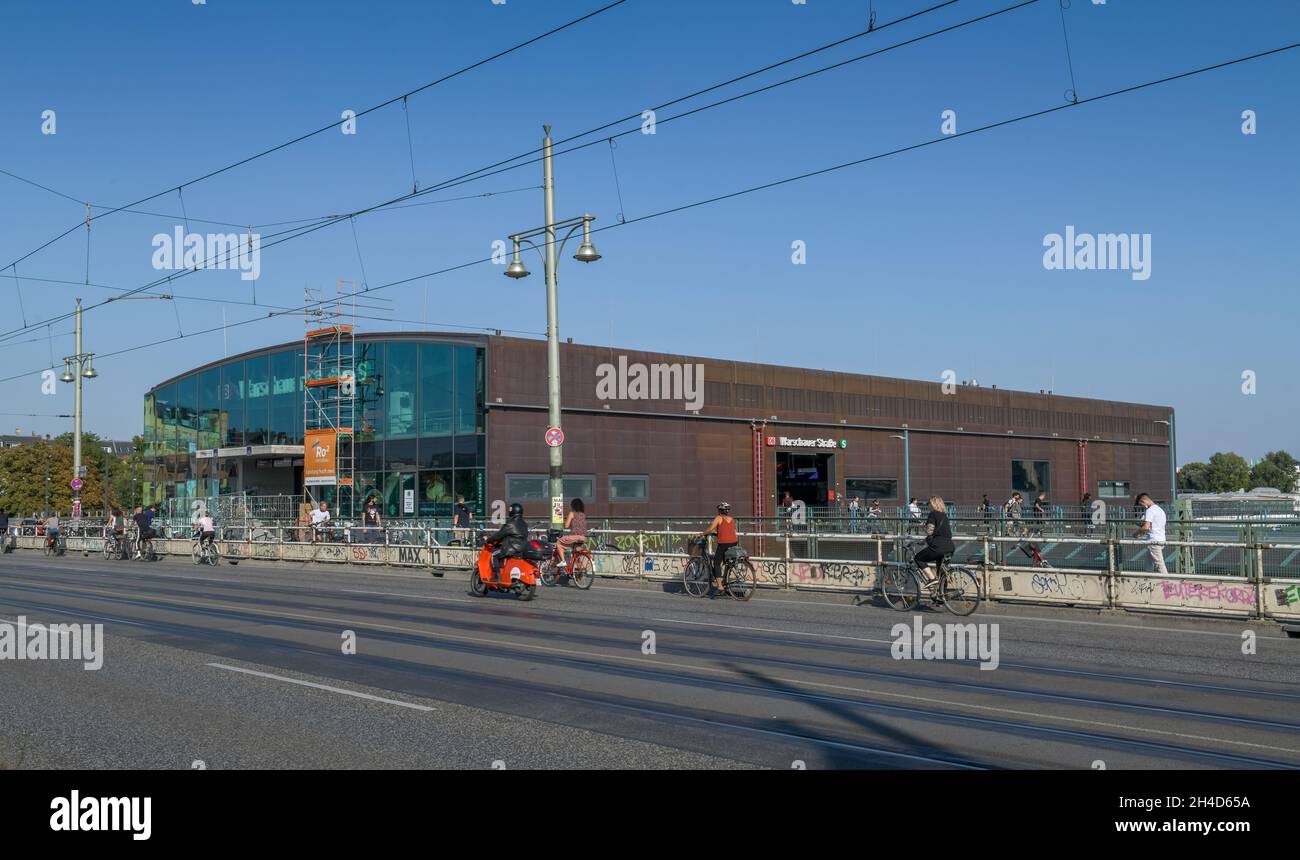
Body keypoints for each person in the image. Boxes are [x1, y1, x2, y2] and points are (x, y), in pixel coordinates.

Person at [697, 502, 739, 595]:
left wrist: (702, 534)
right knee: (724, 561)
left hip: (724, 544)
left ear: (720, 510)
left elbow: (711, 528)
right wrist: (718, 534)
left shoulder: (718, 518)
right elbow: (729, 531)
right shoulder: (732, 519)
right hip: (734, 543)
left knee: (716, 562)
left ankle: (719, 586)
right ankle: (724, 580)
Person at [913, 496, 955, 587]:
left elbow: (929, 531)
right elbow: (939, 533)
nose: (928, 505)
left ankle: (932, 579)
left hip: (939, 547)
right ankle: (941, 596)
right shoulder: (944, 515)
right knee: (941, 572)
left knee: (918, 558)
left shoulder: (933, 514)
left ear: (933, 504)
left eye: (929, 503)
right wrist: (924, 541)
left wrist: (923, 526)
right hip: (950, 546)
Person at [485, 502, 530, 577]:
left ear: (512, 512)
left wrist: (488, 540)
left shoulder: (510, 523)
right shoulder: (524, 524)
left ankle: (496, 575)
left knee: (494, 555)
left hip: (511, 548)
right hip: (523, 548)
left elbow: (499, 535)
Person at [1134, 492, 1168, 574]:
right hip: (1161, 539)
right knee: (1149, 562)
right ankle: (1148, 579)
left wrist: (1136, 533)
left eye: (1141, 504)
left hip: (1154, 541)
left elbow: (1146, 527)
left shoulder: (1150, 511)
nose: (1142, 507)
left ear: (1143, 501)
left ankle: (1168, 582)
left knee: (1159, 564)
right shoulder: (1160, 510)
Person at [556, 498, 588, 568]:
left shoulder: (572, 513)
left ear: (573, 506)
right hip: (583, 537)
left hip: (575, 537)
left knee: (558, 543)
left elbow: (566, 525)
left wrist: (566, 520)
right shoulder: (583, 514)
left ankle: (563, 561)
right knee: (576, 553)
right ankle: (579, 571)